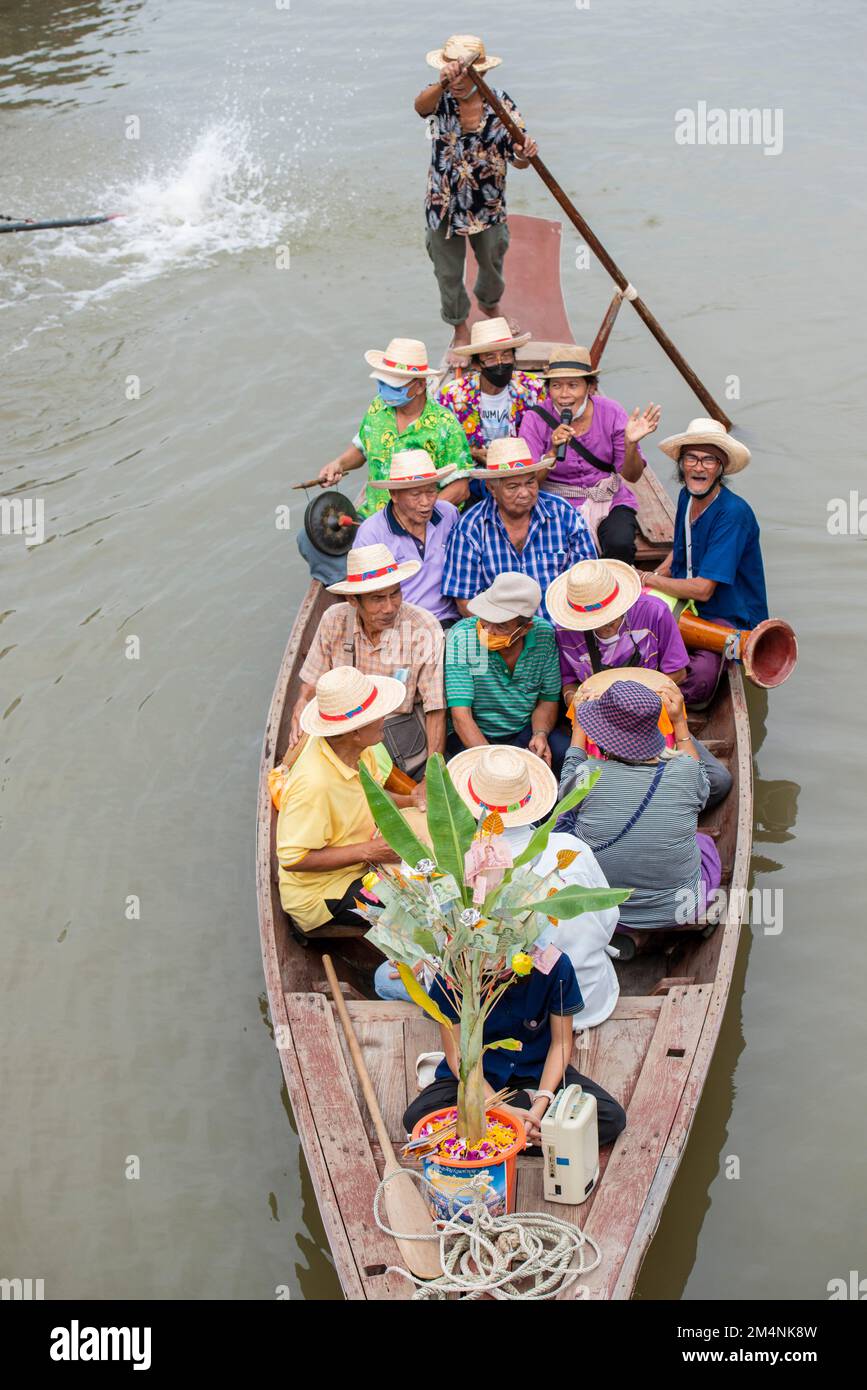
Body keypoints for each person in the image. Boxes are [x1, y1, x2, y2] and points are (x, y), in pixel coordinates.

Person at [400, 750, 627, 1145]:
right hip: (479, 1075)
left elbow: (560, 1043)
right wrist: (500, 1108)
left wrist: (536, 1106)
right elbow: (458, 1058)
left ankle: (511, 1133)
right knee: (416, 1117)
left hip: (535, 1071)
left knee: (609, 1118)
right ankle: (520, 1130)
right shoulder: (460, 965)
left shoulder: (551, 965)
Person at [376, 745, 622, 1031]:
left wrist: (427, 959)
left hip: (497, 1014)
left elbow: (440, 946)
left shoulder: (450, 867)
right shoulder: (572, 849)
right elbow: (607, 920)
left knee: (383, 979)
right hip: (586, 999)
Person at [546, 558, 732, 807]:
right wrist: (574, 700)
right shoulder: (564, 630)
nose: (604, 629)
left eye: (609, 621)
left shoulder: (654, 611)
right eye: (595, 625)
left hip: (651, 717)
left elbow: (678, 673)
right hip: (597, 722)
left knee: (718, 781)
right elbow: (569, 681)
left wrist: (639, 695)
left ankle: (649, 811)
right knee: (579, 789)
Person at [557, 680, 722, 933]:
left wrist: (578, 730)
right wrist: (679, 723)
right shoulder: (686, 771)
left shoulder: (588, 775)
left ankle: (630, 936)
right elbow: (701, 777)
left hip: (604, 912)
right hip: (679, 909)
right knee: (705, 844)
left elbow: (564, 795)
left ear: (602, 736)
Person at [276, 668, 426, 935]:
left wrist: (411, 799)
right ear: (354, 733)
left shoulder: (363, 749)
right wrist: (369, 851)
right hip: (324, 890)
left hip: (361, 855)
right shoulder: (314, 786)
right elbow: (293, 858)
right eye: (376, 717)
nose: (384, 719)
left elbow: (372, 796)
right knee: (419, 905)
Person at [414, 35, 539, 355]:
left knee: (492, 262)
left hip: (488, 205)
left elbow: (520, 159)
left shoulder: (501, 104)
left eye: (462, 76)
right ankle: (459, 326)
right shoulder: (439, 97)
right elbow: (420, 106)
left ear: (480, 75)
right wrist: (443, 82)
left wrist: (526, 152)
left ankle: (489, 306)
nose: (456, 82)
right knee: (447, 271)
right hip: (444, 205)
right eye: (450, 75)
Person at [286, 543, 445, 779]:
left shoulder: (424, 627)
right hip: (343, 729)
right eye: (377, 599)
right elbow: (312, 682)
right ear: (353, 600)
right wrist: (301, 704)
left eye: (395, 594)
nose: (389, 607)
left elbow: (436, 709)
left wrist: (432, 778)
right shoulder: (334, 620)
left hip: (400, 734)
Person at [640, 417, 769, 706]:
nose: (698, 467)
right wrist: (661, 570)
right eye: (692, 459)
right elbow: (682, 544)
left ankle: (647, 700)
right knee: (635, 633)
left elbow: (702, 590)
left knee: (700, 678)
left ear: (721, 468)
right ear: (681, 464)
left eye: (709, 460)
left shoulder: (733, 513)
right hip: (689, 603)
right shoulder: (687, 496)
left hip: (725, 615)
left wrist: (647, 579)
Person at [518, 343, 660, 562]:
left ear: (590, 387)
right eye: (556, 386)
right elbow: (527, 482)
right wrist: (552, 452)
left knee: (619, 544)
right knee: (557, 554)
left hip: (608, 498)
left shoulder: (611, 411)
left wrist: (631, 444)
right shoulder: (534, 419)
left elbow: (632, 476)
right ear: (548, 390)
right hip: (556, 504)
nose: (564, 395)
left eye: (573, 385)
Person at [442, 436, 596, 620]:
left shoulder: (563, 513)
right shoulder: (469, 529)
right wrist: (505, 634)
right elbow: (465, 601)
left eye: (530, 482)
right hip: (498, 638)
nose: (524, 493)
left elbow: (587, 576)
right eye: (513, 486)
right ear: (491, 488)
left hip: (563, 631)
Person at [316, 337, 472, 517]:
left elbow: (460, 488)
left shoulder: (445, 426)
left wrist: (419, 513)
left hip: (421, 523)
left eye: (394, 386)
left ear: (420, 386)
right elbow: (362, 448)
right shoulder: (378, 407)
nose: (385, 390)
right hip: (374, 515)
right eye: (382, 383)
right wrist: (339, 464)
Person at [444, 573, 570, 777]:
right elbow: (461, 717)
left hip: (523, 730)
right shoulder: (462, 637)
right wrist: (492, 764)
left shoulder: (544, 635)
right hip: (473, 733)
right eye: (485, 621)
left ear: (524, 629)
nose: (488, 631)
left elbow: (547, 700)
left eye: (500, 626)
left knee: (563, 755)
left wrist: (540, 733)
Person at [436, 316, 545, 495]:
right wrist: (472, 454)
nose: (501, 362)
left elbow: (542, 437)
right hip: (473, 475)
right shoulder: (453, 394)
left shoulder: (532, 389)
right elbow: (444, 445)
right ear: (478, 364)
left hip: (519, 474)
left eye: (506, 355)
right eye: (490, 358)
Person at [353, 450, 460, 625]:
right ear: (394, 494)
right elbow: (368, 597)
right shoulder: (371, 533)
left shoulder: (449, 514)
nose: (426, 502)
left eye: (431, 491)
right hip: (399, 624)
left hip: (448, 619)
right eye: (416, 495)